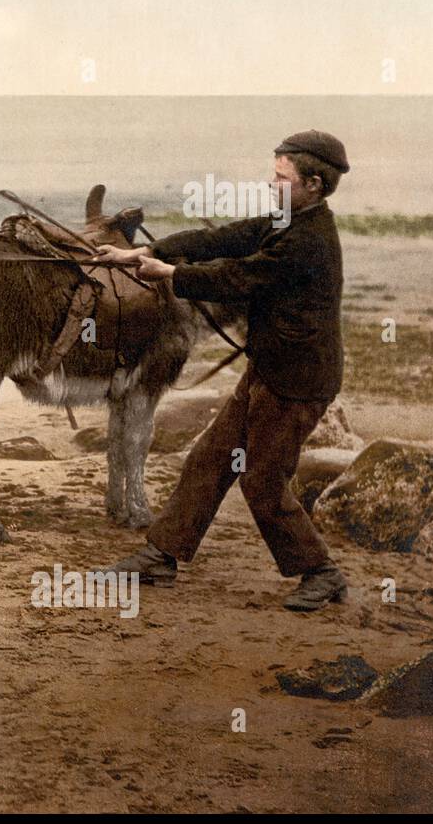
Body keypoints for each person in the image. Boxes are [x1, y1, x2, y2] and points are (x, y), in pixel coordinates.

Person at [95, 130, 350, 611]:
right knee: (210, 458)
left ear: (314, 185)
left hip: (297, 382)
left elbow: (238, 274)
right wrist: (143, 253)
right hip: (270, 369)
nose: (272, 186)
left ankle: (322, 572)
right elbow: (222, 239)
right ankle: (161, 554)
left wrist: (170, 276)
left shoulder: (309, 241)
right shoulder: (286, 220)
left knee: (262, 481)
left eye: (282, 179)